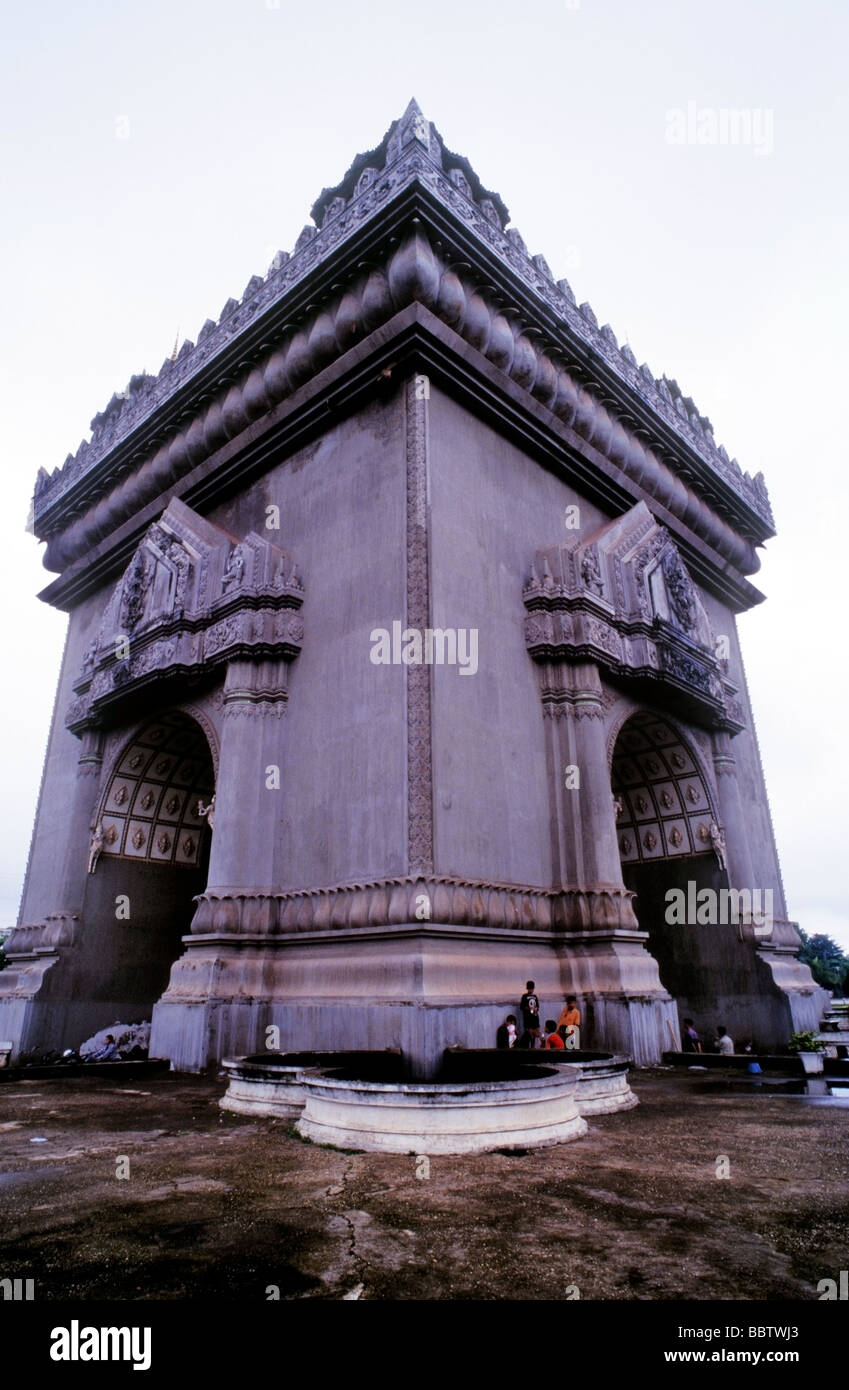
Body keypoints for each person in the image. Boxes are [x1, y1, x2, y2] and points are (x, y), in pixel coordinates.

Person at [519, 980, 542, 1047]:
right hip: (528, 1018)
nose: (531, 990)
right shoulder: (524, 996)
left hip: (534, 1018)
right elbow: (522, 1007)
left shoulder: (535, 996)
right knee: (529, 1034)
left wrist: (536, 1009)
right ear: (527, 988)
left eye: (532, 988)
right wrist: (529, 1008)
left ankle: (533, 1047)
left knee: (534, 1035)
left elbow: (538, 1006)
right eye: (530, 988)